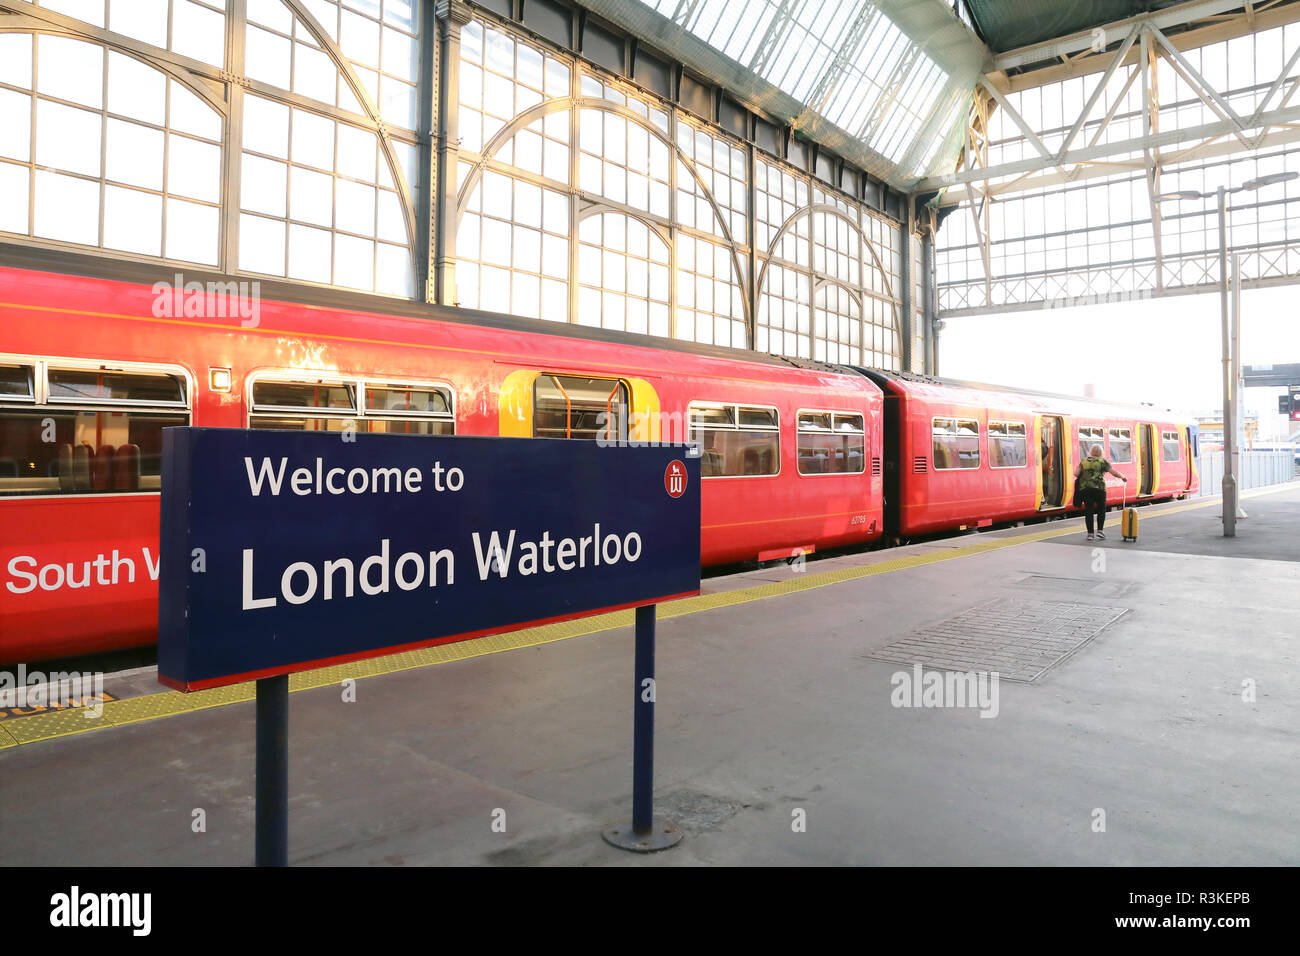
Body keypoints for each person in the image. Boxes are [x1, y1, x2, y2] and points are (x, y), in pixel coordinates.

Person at [1075, 442, 1127, 541]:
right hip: (1100, 489)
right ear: (1101, 452)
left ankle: (1090, 534)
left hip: (1086, 489)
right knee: (1101, 510)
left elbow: (1076, 473)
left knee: (1089, 511)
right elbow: (1114, 473)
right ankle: (1100, 531)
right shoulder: (1102, 462)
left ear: (1091, 451)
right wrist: (1123, 477)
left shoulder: (1084, 461)